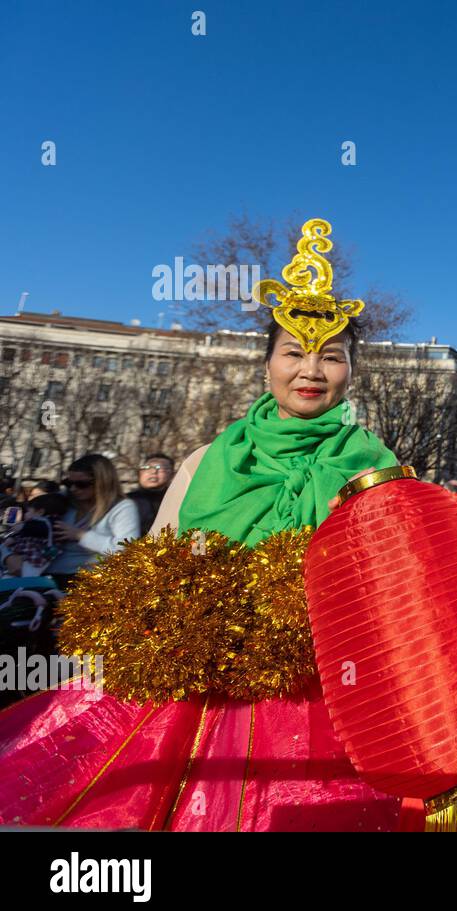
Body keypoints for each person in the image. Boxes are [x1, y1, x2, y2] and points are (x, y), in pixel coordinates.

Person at [0, 218, 419, 831]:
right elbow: (154, 569)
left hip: (334, 697)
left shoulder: (380, 468)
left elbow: (402, 589)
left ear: (352, 370)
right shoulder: (209, 460)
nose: (311, 369)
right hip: (203, 692)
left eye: (331, 356)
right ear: (267, 363)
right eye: (293, 352)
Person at [1, 454, 140, 588]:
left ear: (102, 483)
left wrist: (80, 535)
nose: (73, 488)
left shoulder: (122, 507)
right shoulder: (60, 502)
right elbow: (22, 532)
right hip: (37, 577)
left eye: (82, 484)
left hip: (84, 585)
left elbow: (127, 551)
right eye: (68, 483)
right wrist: (8, 557)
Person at [126, 453, 175, 533]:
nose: (153, 471)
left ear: (172, 474)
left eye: (160, 468)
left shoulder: (177, 499)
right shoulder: (127, 500)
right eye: (147, 467)